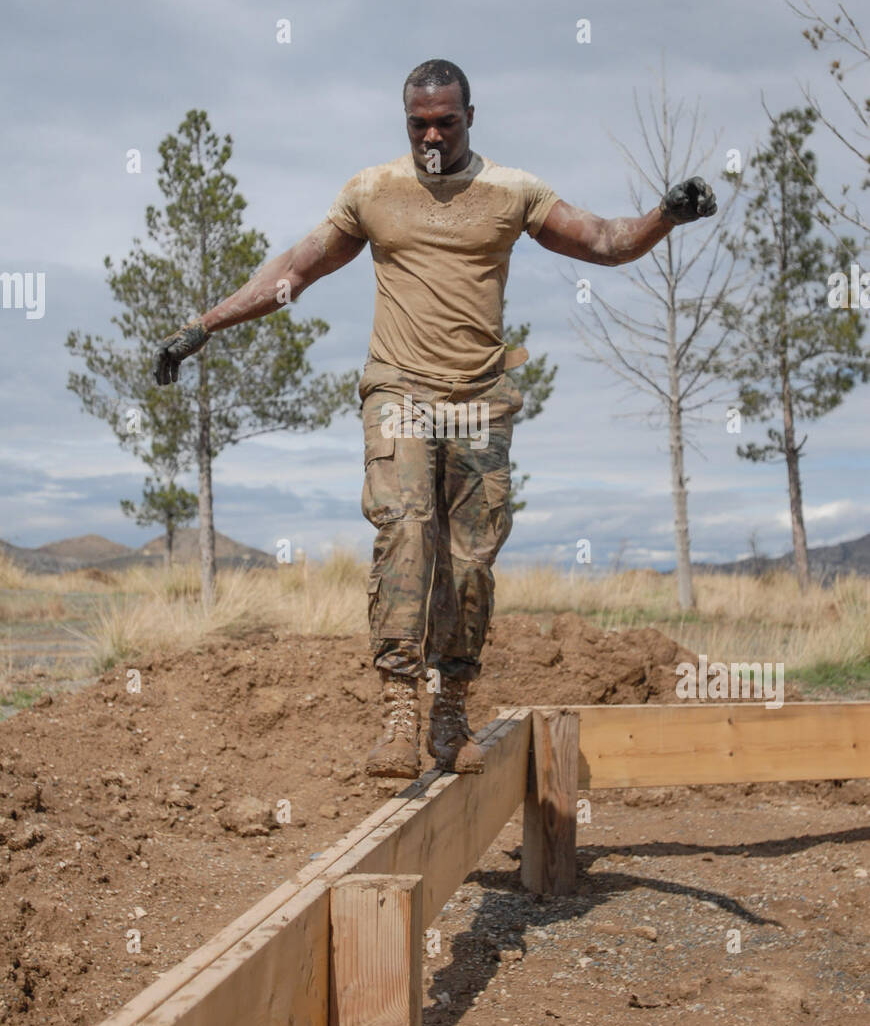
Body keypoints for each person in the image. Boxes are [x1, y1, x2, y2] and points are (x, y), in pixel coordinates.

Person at [154, 59, 716, 780]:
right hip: (399, 389)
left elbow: (607, 242)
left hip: (480, 398)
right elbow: (295, 269)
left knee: (470, 562)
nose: (430, 135)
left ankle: (451, 707)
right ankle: (397, 710)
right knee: (407, 528)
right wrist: (203, 326)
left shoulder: (512, 193)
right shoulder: (374, 191)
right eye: (418, 122)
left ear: (470, 117)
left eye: (445, 122)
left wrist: (665, 215)